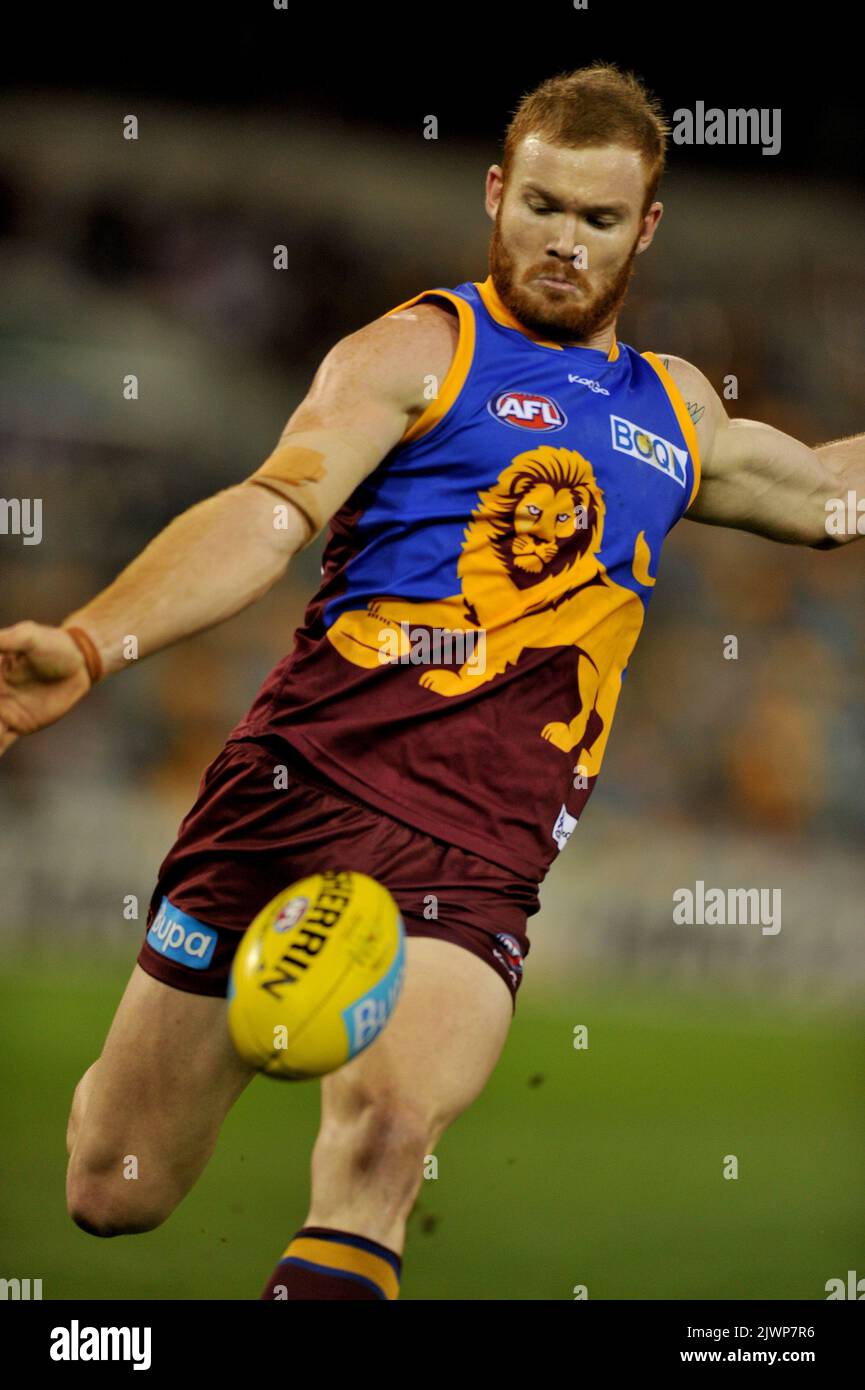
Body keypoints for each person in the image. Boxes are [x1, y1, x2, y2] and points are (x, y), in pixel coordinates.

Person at [0, 63, 860, 1301]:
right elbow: (271, 512)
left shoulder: (676, 414)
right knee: (113, 1184)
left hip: (473, 846)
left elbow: (837, 492)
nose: (565, 243)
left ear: (647, 228)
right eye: (544, 207)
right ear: (497, 192)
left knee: (386, 1136)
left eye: (599, 219)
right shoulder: (418, 349)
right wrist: (92, 644)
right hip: (291, 789)